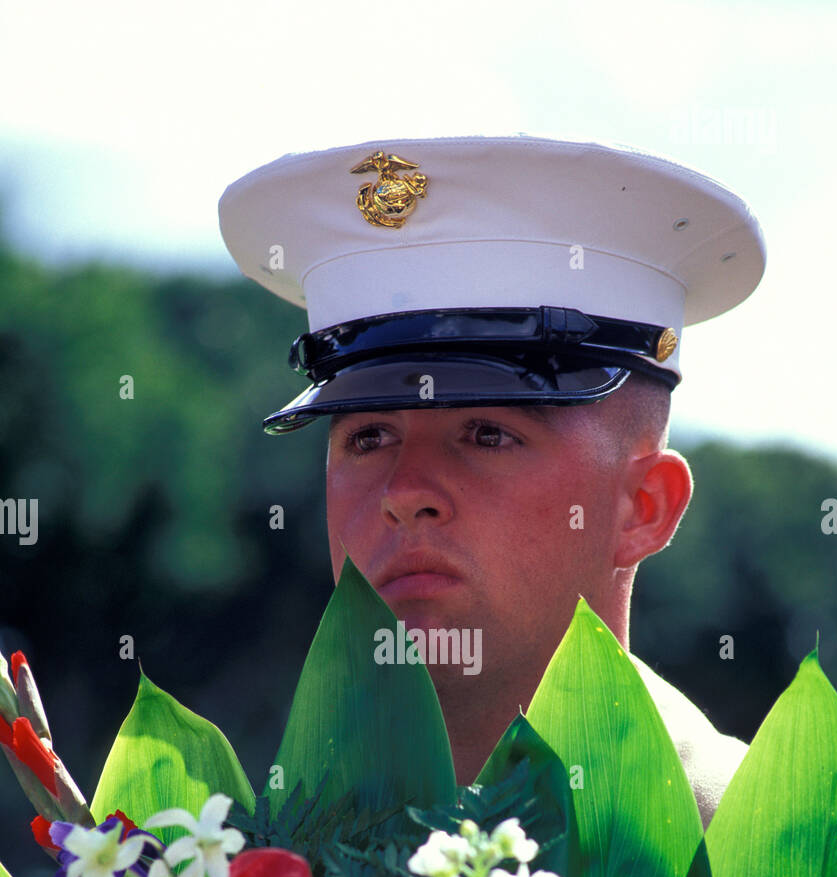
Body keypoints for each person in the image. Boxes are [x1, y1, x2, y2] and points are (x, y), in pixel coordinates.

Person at [219, 135, 765, 827]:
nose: (403, 493)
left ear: (643, 508)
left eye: (486, 435)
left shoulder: (766, 856)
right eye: (368, 436)